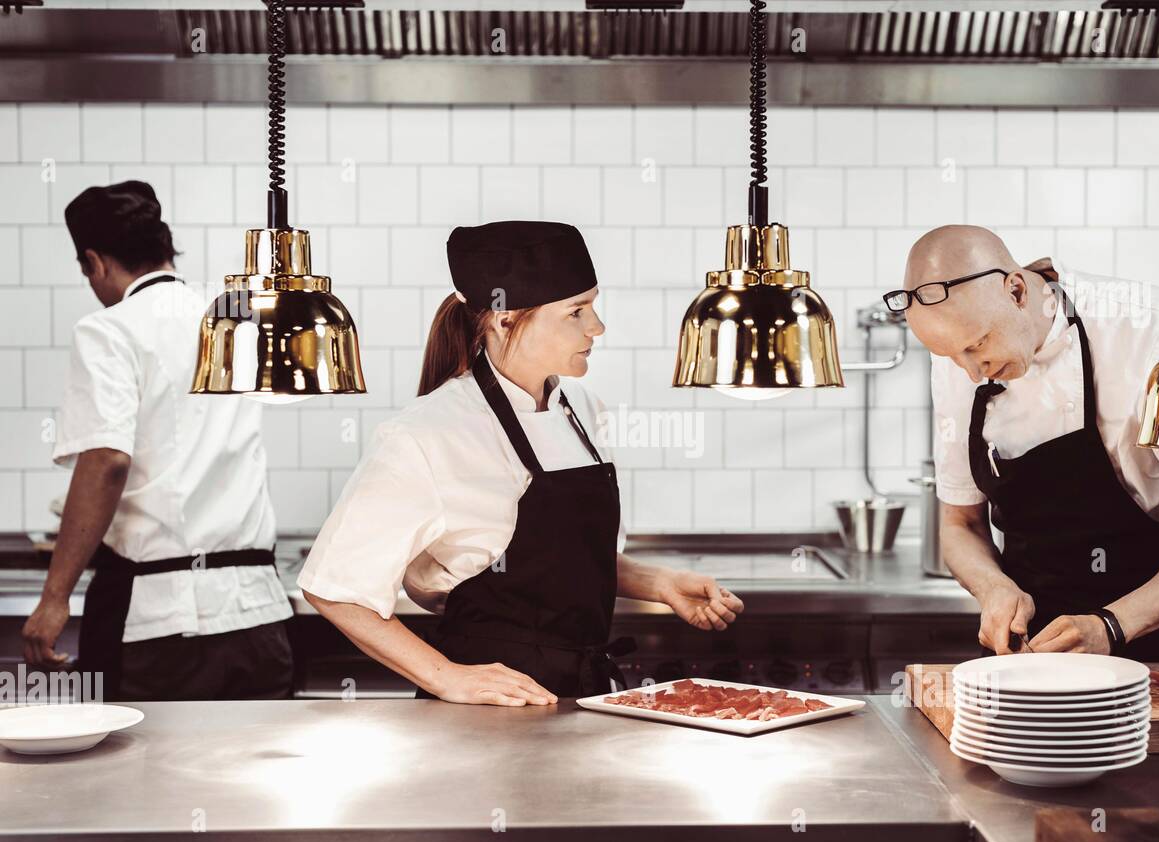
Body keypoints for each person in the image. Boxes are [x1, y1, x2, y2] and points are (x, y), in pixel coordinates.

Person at [299, 220, 744, 705]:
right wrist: (446, 676)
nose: (597, 327)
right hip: (487, 719)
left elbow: (569, 564)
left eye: (594, 306)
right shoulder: (427, 434)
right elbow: (335, 587)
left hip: (583, 701)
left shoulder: (582, 410)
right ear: (505, 318)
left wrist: (658, 583)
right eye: (576, 312)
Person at [893, 224, 1159, 661]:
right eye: (950, 357)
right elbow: (962, 524)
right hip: (1031, 657)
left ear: (1016, 291)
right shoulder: (959, 353)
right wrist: (993, 588)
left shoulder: (1150, 332)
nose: (971, 372)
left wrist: (1111, 625)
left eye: (978, 346)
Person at [21, 181, 294, 700]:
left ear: (95, 263)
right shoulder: (229, 320)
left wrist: (55, 598)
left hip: (164, 629)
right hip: (257, 619)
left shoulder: (108, 331)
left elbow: (106, 462)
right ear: (165, 248)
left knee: (141, 781)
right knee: (252, 777)